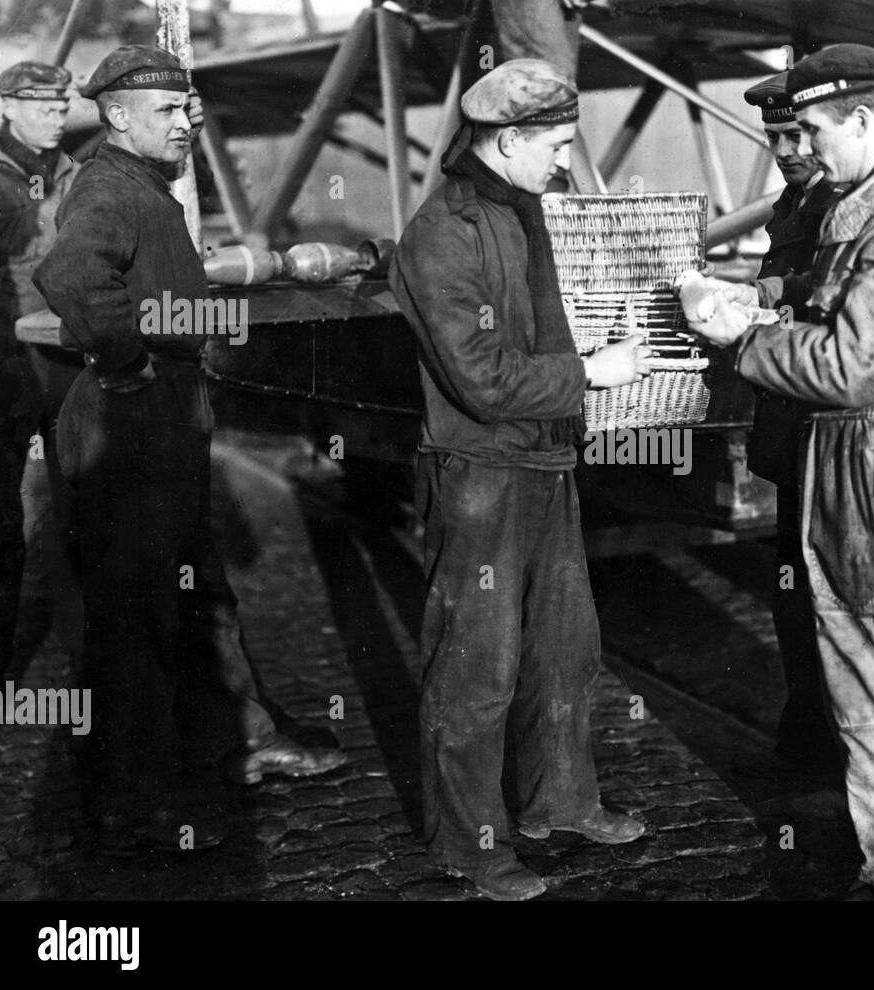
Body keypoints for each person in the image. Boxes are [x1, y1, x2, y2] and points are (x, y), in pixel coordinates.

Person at [33, 46, 345, 856]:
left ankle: (238, 736)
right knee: (135, 613)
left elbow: (151, 283)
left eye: (187, 110)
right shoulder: (108, 189)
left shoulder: (145, 183)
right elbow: (71, 276)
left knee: (198, 587)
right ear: (116, 116)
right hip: (128, 414)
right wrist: (128, 359)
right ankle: (131, 806)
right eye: (166, 113)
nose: (183, 124)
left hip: (166, 410)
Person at [686, 44, 874, 900]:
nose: (798, 145)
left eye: (810, 126)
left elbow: (851, 367)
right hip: (861, 456)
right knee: (864, 661)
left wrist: (739, 336)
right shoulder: (869, 200)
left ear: (863, 119)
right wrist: (770, 307)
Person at [389, 58, 650, 901]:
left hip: (546, 462)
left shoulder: (533, 211)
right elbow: (479, 376)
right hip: (480, 471)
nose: (565, 161)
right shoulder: (444, 231)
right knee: (478, 669)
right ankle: (473, 845)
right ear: (507, 141)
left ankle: (561, 802)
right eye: (557, 145)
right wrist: (593, 374)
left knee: (566, 654)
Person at [740, 70, 845, 770]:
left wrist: (773, 293)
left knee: (826, 581)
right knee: (792, 580)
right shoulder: (795, 198)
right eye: (773, 135)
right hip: (790, 419)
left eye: (794, 133)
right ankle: (806, 721)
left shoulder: (841, 198)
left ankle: (831, 734)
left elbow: (834, 288)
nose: (782, 147)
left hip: (825, 417)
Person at [0, 61, 77, 689]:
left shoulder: (73, 170)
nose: (54, 114)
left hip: (66, 362)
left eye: (61, 104)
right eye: (40, 104)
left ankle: (102, 665)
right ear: (7, 107)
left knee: (91, 508)